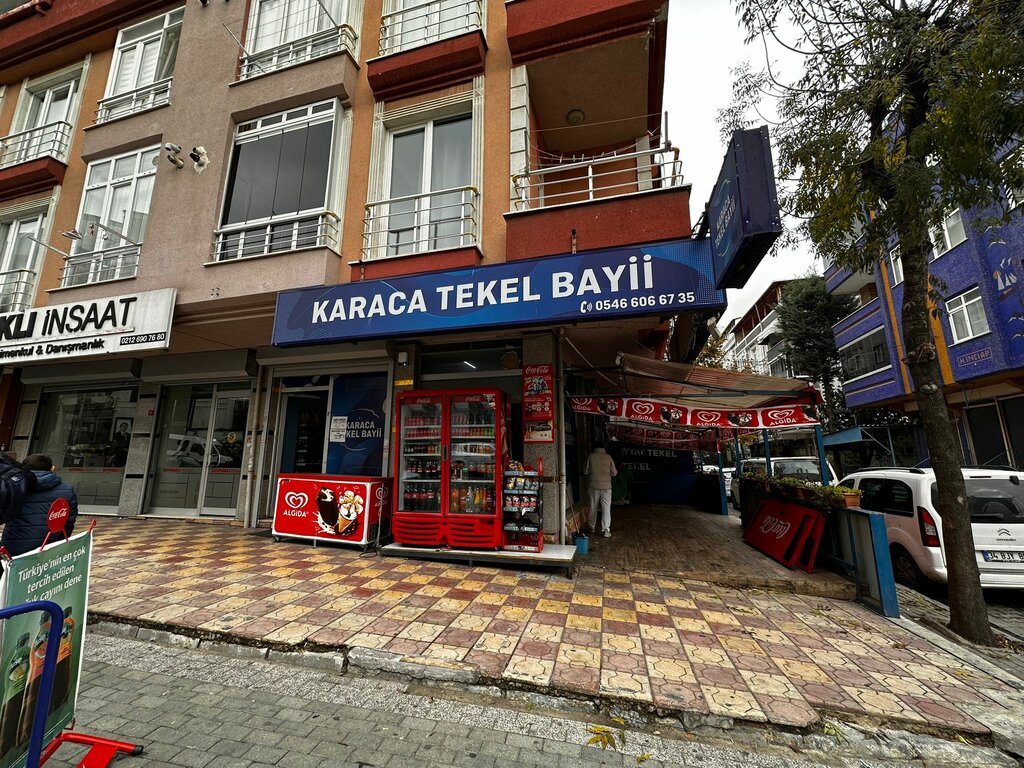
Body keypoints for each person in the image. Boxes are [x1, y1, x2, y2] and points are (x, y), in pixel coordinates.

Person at [0, 455, 78, 557]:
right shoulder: (67, 489)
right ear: (52, 469)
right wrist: (62, 541)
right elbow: (69, 520)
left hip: (14, 545)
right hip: (50, 546)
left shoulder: (15, 486)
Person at [585, 444, 617, 538]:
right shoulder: (608, 457)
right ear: (603, 448)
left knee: (593, 507)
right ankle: (606, 530)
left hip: (594, 486)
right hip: (607, 487)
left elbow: (585, 471)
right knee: (606, 508)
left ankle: (592, 528)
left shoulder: (590, 456)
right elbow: (614, 473)